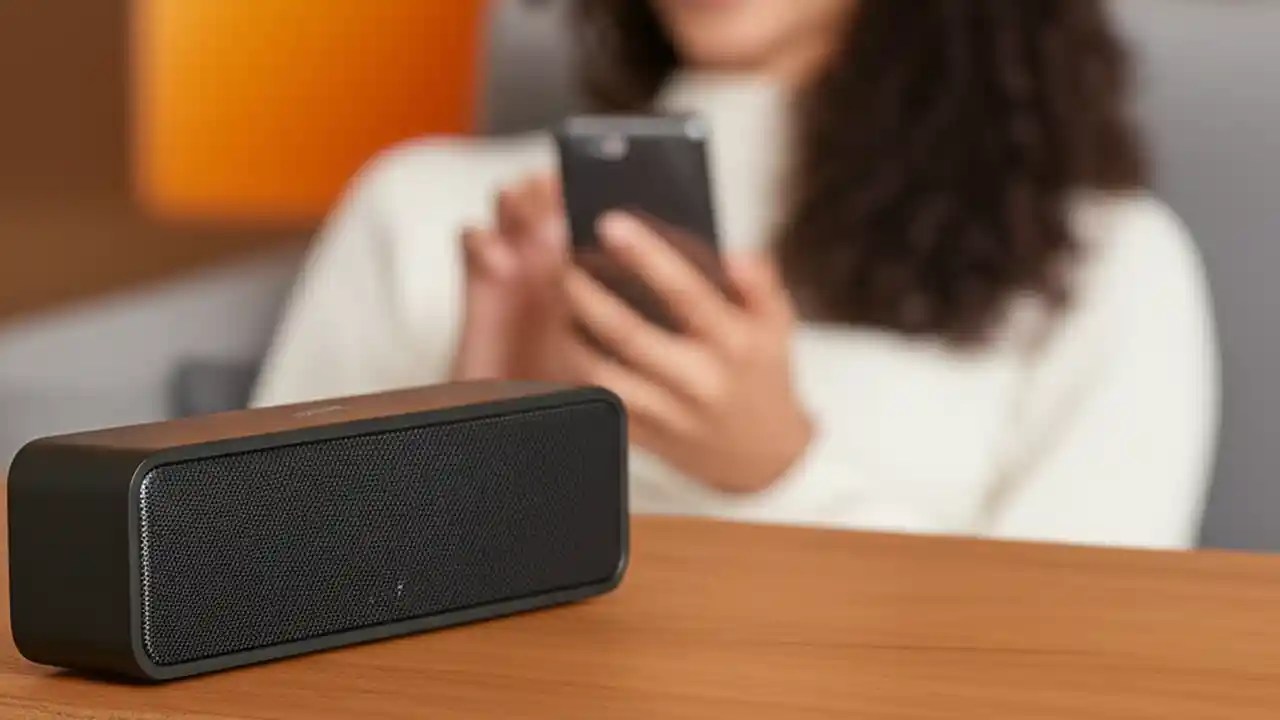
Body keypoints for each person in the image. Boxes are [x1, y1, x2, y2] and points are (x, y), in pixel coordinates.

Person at [254, 0, 1219, 549]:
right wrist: (481, 446)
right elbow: (251, 588)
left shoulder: (1101, 264)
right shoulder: (429, 211)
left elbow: (1078, 671)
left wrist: (775, 475)